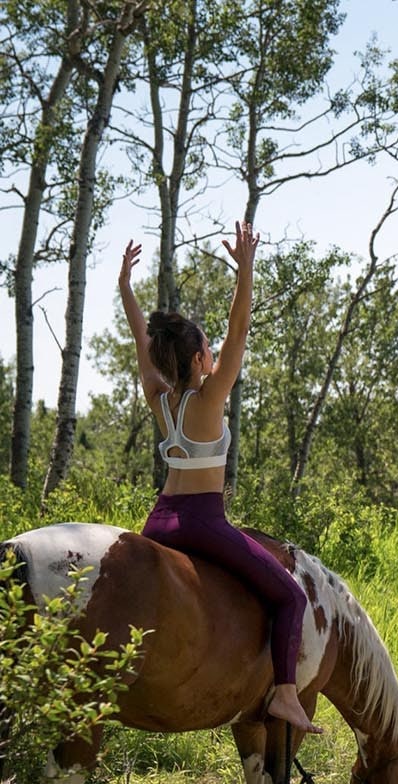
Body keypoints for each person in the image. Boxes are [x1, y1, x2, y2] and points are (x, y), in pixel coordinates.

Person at [118, 223, 319, 734]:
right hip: (201, 523)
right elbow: (240, 328)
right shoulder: (209, 399)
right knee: (292, 596)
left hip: (158, 521)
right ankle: (286, 695)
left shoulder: (159, 399)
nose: (214, 352)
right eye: (208, 348)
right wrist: (245, 268)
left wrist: (126, 289)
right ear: (197, 360)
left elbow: (142, 340)